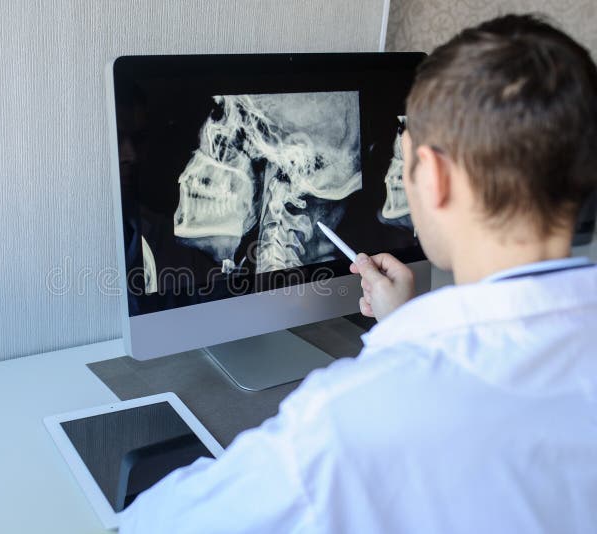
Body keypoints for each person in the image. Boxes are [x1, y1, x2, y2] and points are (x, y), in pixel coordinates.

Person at [120, 14, 597, 533]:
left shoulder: (346, 424)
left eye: (405, 157)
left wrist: (400, 358)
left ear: (435, 177)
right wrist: (405, 332)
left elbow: (155, 524)